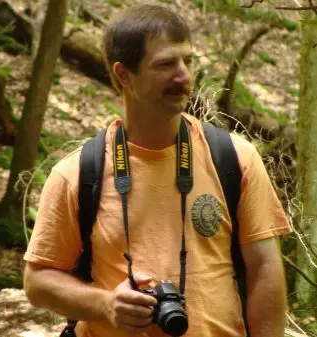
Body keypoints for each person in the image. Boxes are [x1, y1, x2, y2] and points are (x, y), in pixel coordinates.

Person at [23, 4, 292, 337]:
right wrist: (105, 305)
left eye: (188, 61)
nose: (184, 76)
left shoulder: (235, 158)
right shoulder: (78, 174)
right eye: (166, 64)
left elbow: (264, 268)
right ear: (124, 75)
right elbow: (37, 281)